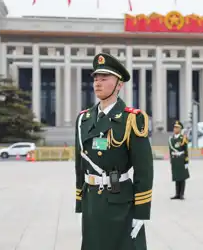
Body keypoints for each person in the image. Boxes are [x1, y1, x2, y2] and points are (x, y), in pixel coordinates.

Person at [74, 53, 154, 250]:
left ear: (119, 85)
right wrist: (80, 202)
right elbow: (79, 165)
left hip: (120, 203)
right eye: (96, 78)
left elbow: (144, 170)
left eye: (104, 78)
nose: (97, 83)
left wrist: (141, 212)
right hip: (92, 200)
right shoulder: (84, 119)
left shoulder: (131, 119)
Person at [169, 120, 190, 200]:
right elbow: (170, 151)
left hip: (181, 159)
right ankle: (177, 194)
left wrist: (186, 161)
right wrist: (171, 160)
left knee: (182, 177)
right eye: (174, 127)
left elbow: (186, 150)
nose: (175, 129)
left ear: (180, 129)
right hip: (175, 160)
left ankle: (181, 194)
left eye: (177, 128)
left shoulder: (183, 139)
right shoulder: (171, 139)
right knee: (176, 177)